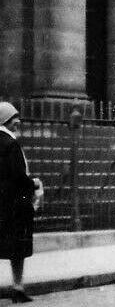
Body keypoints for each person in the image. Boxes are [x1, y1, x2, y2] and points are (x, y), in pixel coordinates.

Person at [0, 102, 35, 303]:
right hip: (14, 203)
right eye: (14, 118)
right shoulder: (10, 144)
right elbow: (18, 176)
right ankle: (17, 287)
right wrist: (34, 184)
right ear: (5, 120)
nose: (18, 121)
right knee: (17, 247)